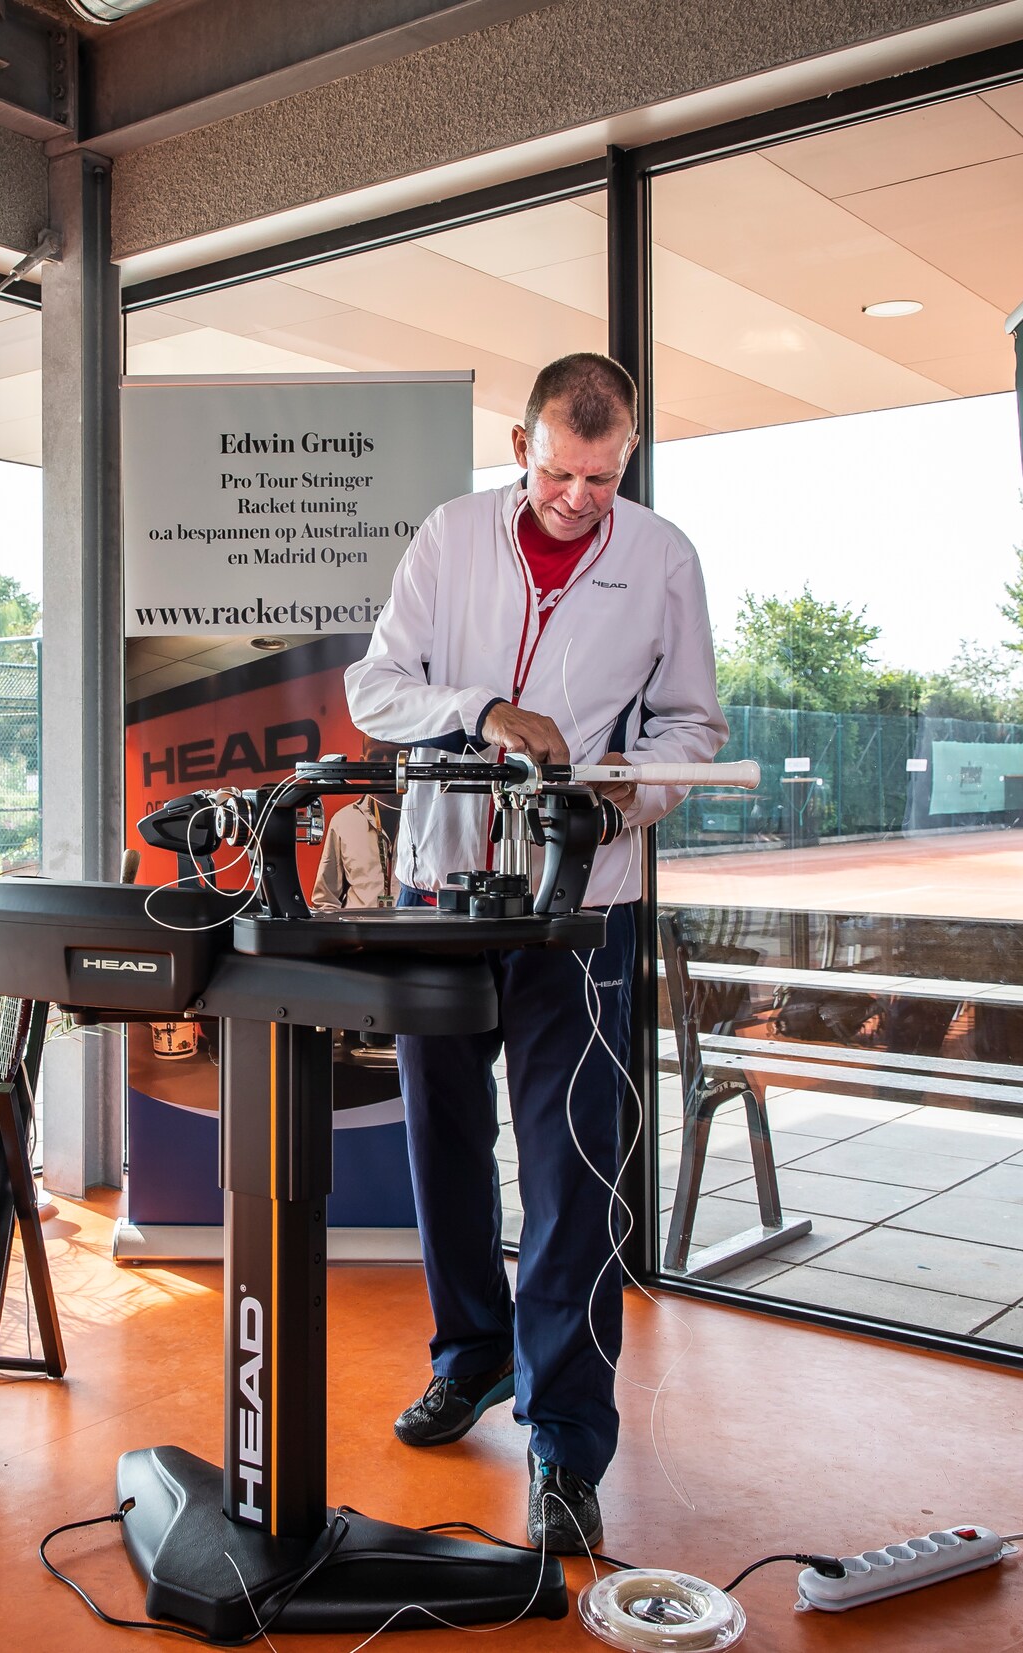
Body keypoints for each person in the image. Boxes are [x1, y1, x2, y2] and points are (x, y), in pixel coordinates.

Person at [342, 352, 726, 1551]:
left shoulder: (660, 558)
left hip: (579, 904)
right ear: (521, 446)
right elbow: (373, 688)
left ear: (626, 461)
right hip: (438, 891)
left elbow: (691, 726)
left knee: (574, 1174)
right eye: (560, 471)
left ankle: (563, 1438)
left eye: (600, 480)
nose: (576, 498)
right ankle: (467, 1357)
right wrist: (478, 710)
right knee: (444, 1142)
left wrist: (624, 801)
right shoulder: (451, 537)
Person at [310, 738, 402, 910]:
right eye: (376, 756)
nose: (386, 764)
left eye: (394, 755)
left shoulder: (425, 822)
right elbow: (326, 900)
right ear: (363, 763)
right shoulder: (343, 821)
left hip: (411, 933)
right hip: (358, 934)